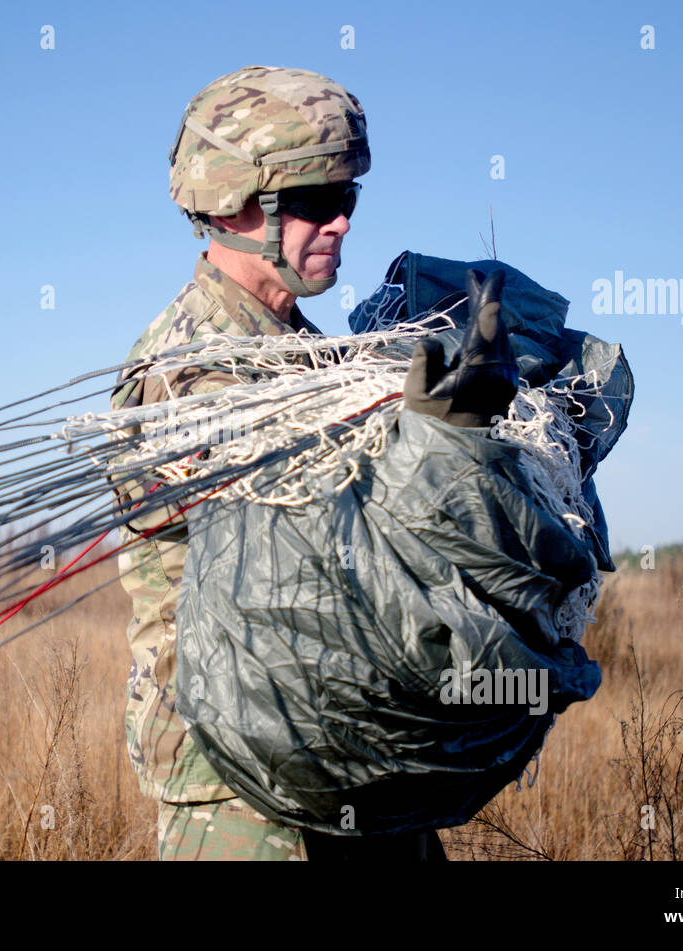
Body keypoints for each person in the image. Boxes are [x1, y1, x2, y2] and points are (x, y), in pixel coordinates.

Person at [110, 65, 463, 860]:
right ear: (235, 205)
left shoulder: (313, 355)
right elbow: (296, 548)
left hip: (355, 754)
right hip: (242, 784)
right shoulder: (183, 371)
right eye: (313, 202)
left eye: (349, 201)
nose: (340, 224)